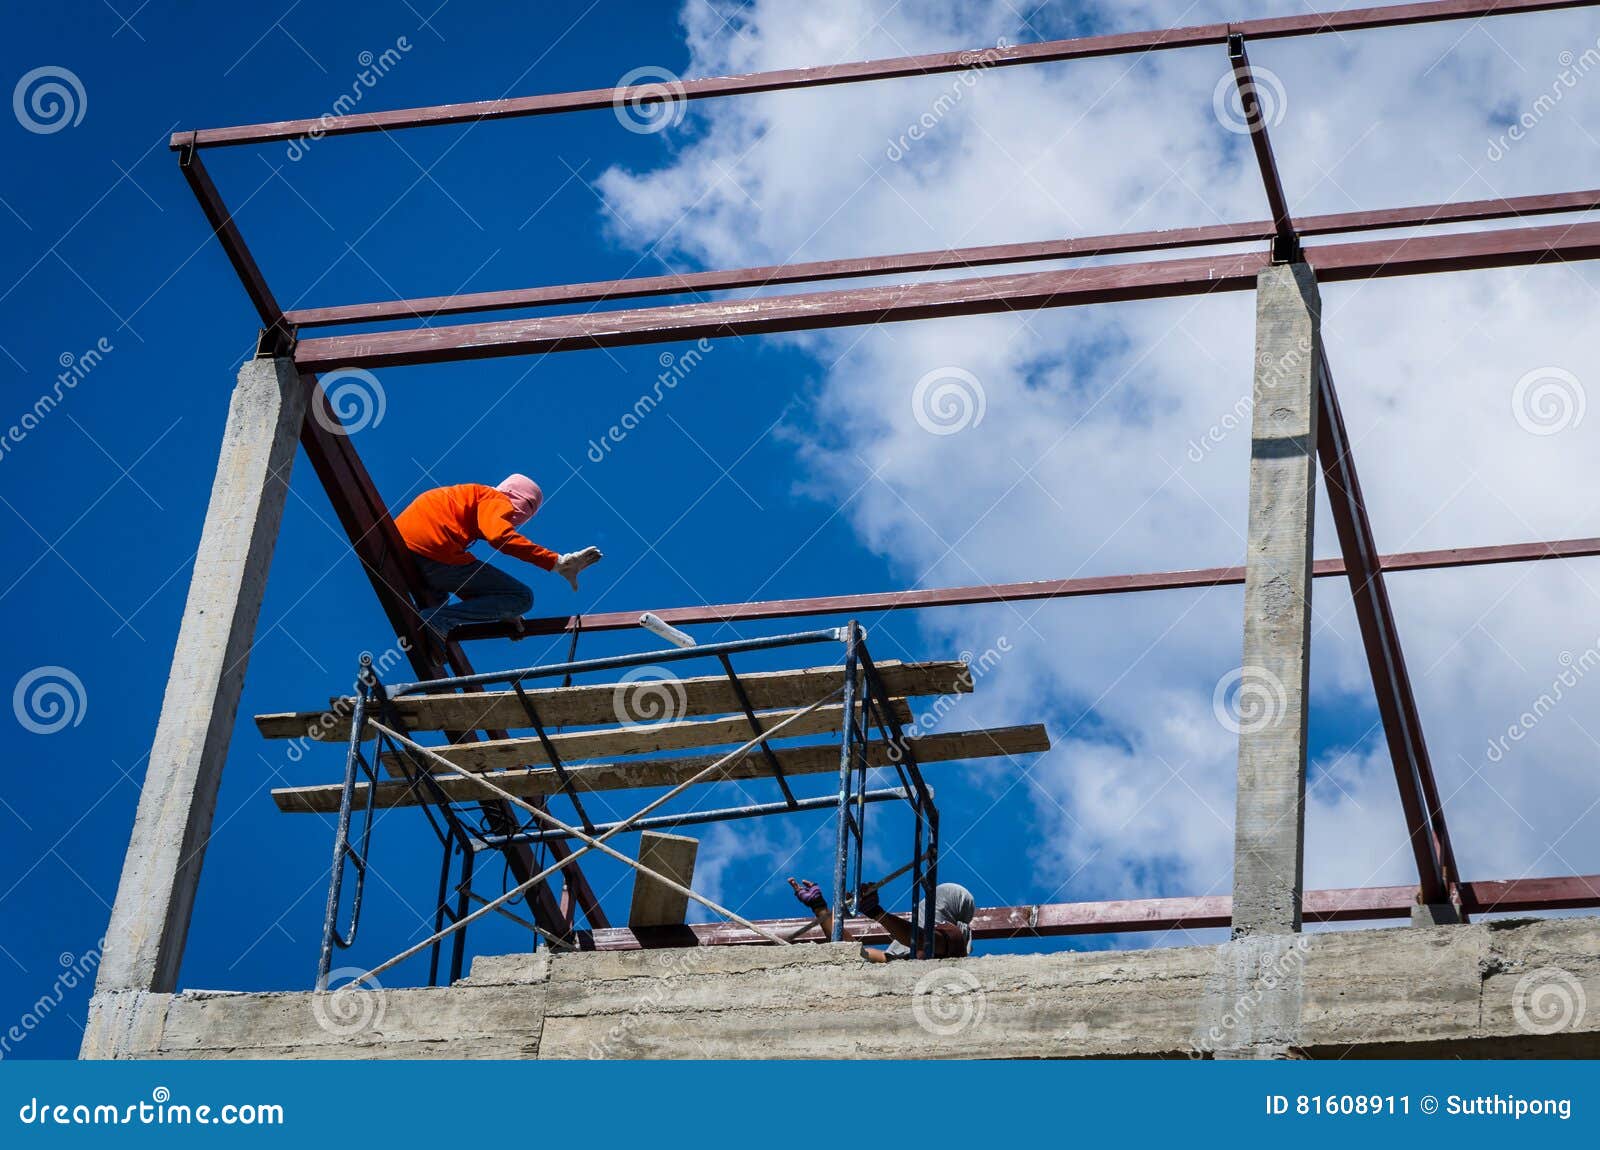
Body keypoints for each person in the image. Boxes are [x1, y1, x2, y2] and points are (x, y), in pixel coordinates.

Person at [393, 474, 601, 642]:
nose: (521, 518)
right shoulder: (495, 498)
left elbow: (468, 584)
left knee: (439, 600)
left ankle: (433, 626)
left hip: (409, 549)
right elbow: (500, 536)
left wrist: (502, 610)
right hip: (434, 551)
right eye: (527, 507)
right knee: (522, 597)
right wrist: (556, 562)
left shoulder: (469, 497)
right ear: (514, 494)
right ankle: (437, 622)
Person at [787, 876, 975, 962]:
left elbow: (921, 940)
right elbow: (854, 954)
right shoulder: (898, 958)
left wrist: (875, 912)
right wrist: (820, 908)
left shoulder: (954, 944)